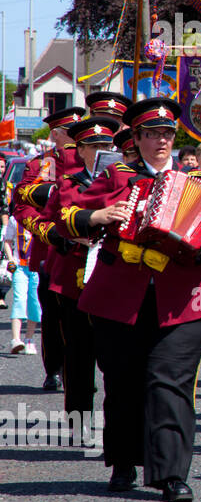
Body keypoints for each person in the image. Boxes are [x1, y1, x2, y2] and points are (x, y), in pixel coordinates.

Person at [64, 97, 201, 502]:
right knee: (122, 381)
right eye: (152, 134)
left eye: (167, 134)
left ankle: (171, 473)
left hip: (185, 300)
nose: (160, 140)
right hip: (119, 297)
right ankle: (124, 461)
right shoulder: (113, 179)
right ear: (136, 139)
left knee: (168, 380)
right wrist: (98, 217)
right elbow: (68, 219)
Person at [32, 116, 120, 426]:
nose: (100, 151)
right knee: (79, 353)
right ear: (79, 150)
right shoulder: (67, 183)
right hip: (74, 276)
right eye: (93, 146)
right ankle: (80, 419)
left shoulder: (124, 181)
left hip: (114, 277)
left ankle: (118, 422)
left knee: (117, 358)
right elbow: (45, 222)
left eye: (106, 145)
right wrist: (65, 235)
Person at [12, 105, 83, 391]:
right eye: (69, 132)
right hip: (51, 252)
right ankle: (54, 368)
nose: (75, 137)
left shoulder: (92, 161)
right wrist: (47, 231)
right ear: (55, 135)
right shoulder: (41, 165)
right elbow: (22, 206)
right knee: (53, 317)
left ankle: (80, 368)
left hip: (87, 249)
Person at [3, 210, 39, 355]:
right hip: (20, 266)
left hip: (36, 267)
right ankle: (16, 339)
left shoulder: (42, 217)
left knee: (34, 301)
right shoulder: (14, 219)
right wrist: (11, 259)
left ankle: (29, 339)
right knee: (19, 299)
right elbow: (7, 241)